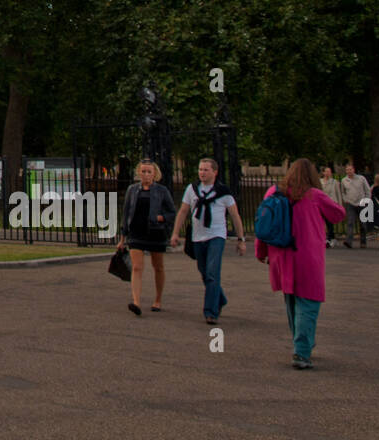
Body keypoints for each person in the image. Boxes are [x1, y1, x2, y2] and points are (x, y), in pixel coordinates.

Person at [255, 157, 346, 368]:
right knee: (309, 302)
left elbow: (262, 222)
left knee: (292, 300)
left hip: (281, 254)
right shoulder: (314, 195)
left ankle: (301, 341)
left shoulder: (274, 192)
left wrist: (260, 251)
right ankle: (302, 351)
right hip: (307, 255)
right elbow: (338, 215)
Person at [171, 157, 246, 323]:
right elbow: (183, 211)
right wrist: (175, 233)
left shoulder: (223, 192)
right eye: (200, 169)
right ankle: (220, 298)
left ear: (215, 172)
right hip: (197, 236)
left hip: (216, 236)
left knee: (212, 273)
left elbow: (235, 215)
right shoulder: (192, 189)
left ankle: (211, 312)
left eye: (206, 170)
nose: (202, 173)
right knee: (204, 273)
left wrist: (241, 239)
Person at [117, 160, 176, 315]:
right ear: (138, 173)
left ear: (155, 174)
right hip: (136, 232)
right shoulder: (132, 190)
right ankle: (136, 301)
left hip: (155, 232)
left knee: (158, 266)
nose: (146, 174)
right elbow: (126, 214)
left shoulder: (162, 191)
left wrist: (161, 218)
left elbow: (171, 212)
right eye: (143, 171)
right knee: (137, 267)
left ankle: (158, 299)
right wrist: (122, 238)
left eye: (149, 172)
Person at [340, 163, 370, 248]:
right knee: (350, 222)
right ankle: (349, 241)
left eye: (350, 169)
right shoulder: (344, 180)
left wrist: (367, 200)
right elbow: (343, 192)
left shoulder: (361, 178)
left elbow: (367, 190)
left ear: (354, 170)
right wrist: (345, 199)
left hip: (361, 202)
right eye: (347, 170)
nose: (349, 171)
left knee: (363, 224)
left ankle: (363, 241)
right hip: (350, 203)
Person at [321, 165, 344, 247]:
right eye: (326, 171)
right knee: (323, 222)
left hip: (331, 204)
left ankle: (329, 238)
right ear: (323, 173)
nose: (327, 173)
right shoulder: (320, 182)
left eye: (329, 172)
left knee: (329, 222)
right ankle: (329, 237)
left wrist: (340, 205)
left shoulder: (335, 182)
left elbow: (338, 194)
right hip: (322, 204)